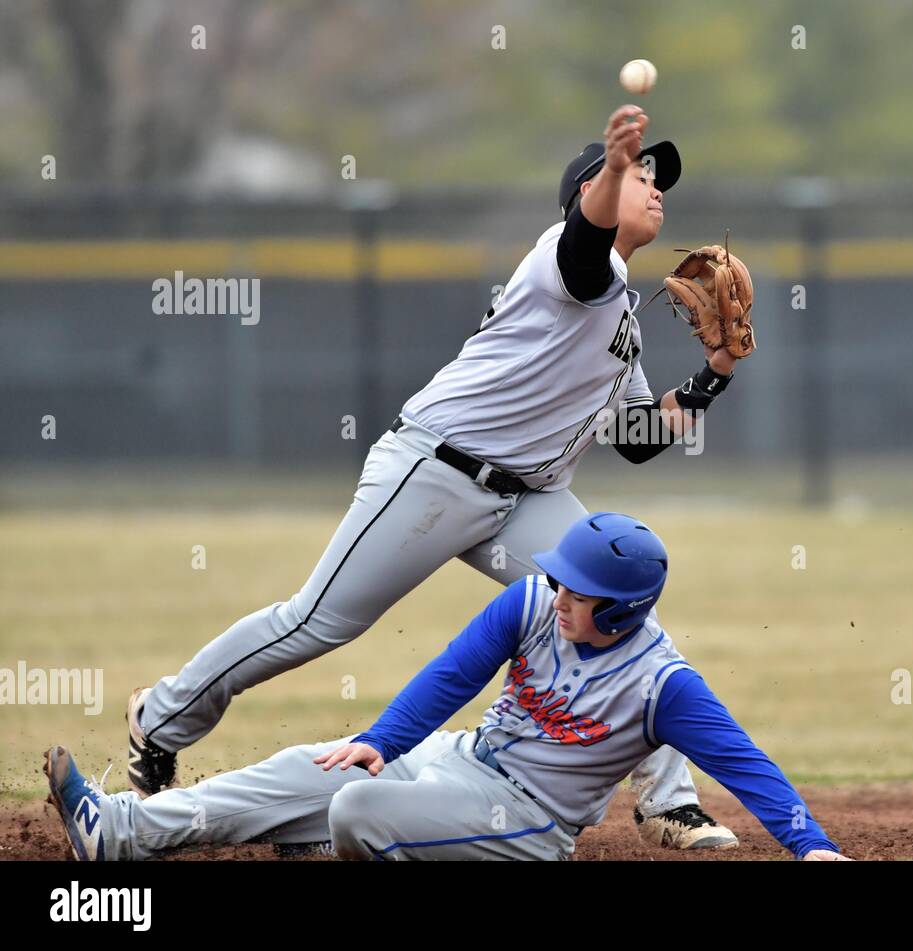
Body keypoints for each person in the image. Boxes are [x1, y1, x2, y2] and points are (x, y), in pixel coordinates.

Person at [125, 104, 746, 850]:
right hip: (436, 469)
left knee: (624, 607)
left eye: (655, 180)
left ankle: (668, 801)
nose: (656, 188)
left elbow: (640, 439)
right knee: (319, 620)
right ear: (596, 187)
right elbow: (586, 237)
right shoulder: (570, 262)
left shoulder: (621, 319)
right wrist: (615, 166)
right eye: (641, 176)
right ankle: (162, 715)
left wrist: (713, 375)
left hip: (526, 499)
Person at [46, 513, 848, 861]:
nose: (560, 592)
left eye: (580, 589)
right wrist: (380, 742)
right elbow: (451, 674)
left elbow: (746, 763)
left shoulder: (662, 686)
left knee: (355, 808)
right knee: (323, 767)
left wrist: (811, 843)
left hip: (526, 827)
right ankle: (120, 831)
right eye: (561, 579)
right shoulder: (535, 601)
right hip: (457, 760)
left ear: (626, 608)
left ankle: (351, 834)